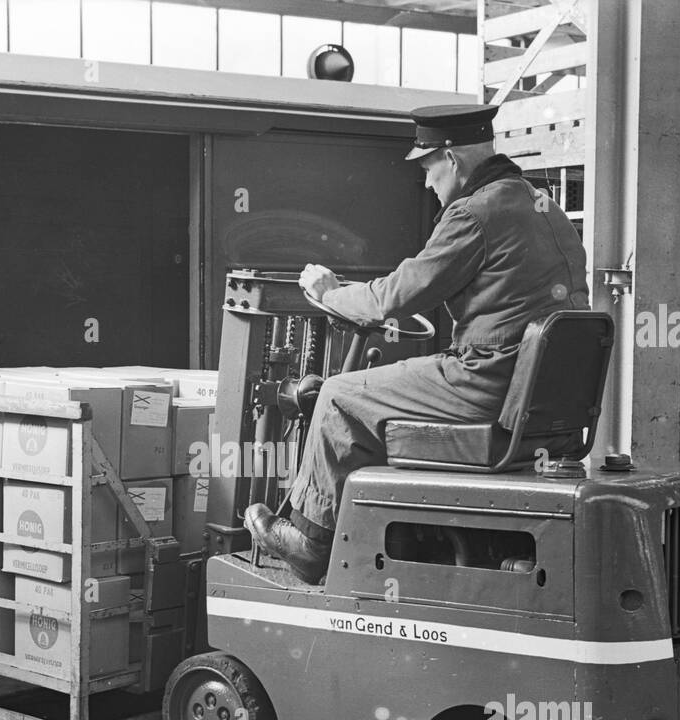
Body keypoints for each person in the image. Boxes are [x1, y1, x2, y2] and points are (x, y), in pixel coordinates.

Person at [244, 104, 590, 584]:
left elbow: (397, 297)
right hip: (538, 402)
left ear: (451, 158)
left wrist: (329, 294)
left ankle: (308, 541)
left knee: (337, 396)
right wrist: (356, 296)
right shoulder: (541, 206)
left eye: (427, 167)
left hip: (487, 386)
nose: (427, 183)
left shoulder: (473, 213)